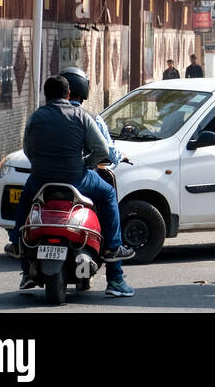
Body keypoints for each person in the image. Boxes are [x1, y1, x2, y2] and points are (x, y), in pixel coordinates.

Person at [10, 74, 134, 289]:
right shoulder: (83, 116)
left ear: (46, 95)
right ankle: (113, 248)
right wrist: (87, 163)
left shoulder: (35, 117)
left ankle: (17, 243)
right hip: (77, 178)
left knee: (26, 200)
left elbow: (28, 149)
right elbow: (103, 150)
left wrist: (41, 166)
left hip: (41, 179)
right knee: (108, 194)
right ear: (69, 94)